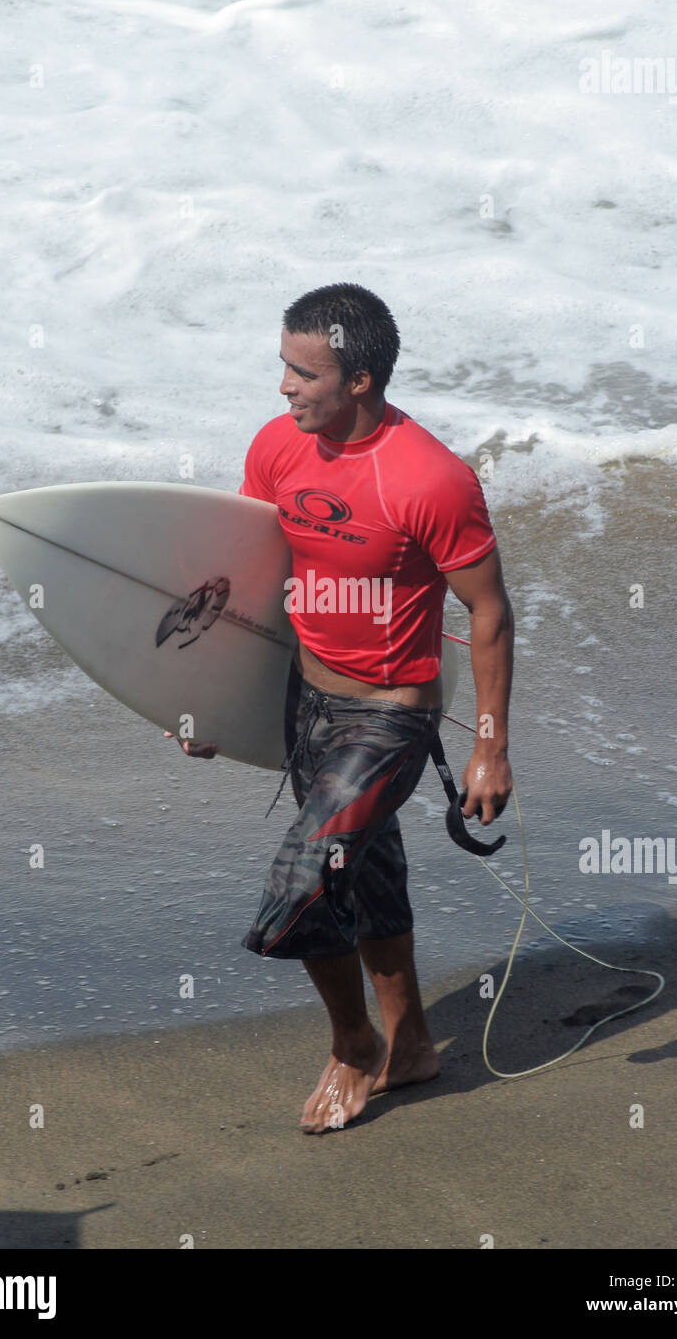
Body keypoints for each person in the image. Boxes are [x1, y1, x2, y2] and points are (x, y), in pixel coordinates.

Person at [167, 283, 514, 1132]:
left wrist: (491, 749)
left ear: (359, 380)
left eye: (301, 372)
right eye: (283, 367)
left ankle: (354, 1041)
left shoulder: (430, 478)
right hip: (306, 697)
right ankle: (416, 1043)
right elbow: (243, 579)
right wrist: (206, 700)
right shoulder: (280, 449)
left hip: (391, 713)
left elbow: (491, 610)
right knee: (361, 870)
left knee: (302, 883)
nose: (284, 387)